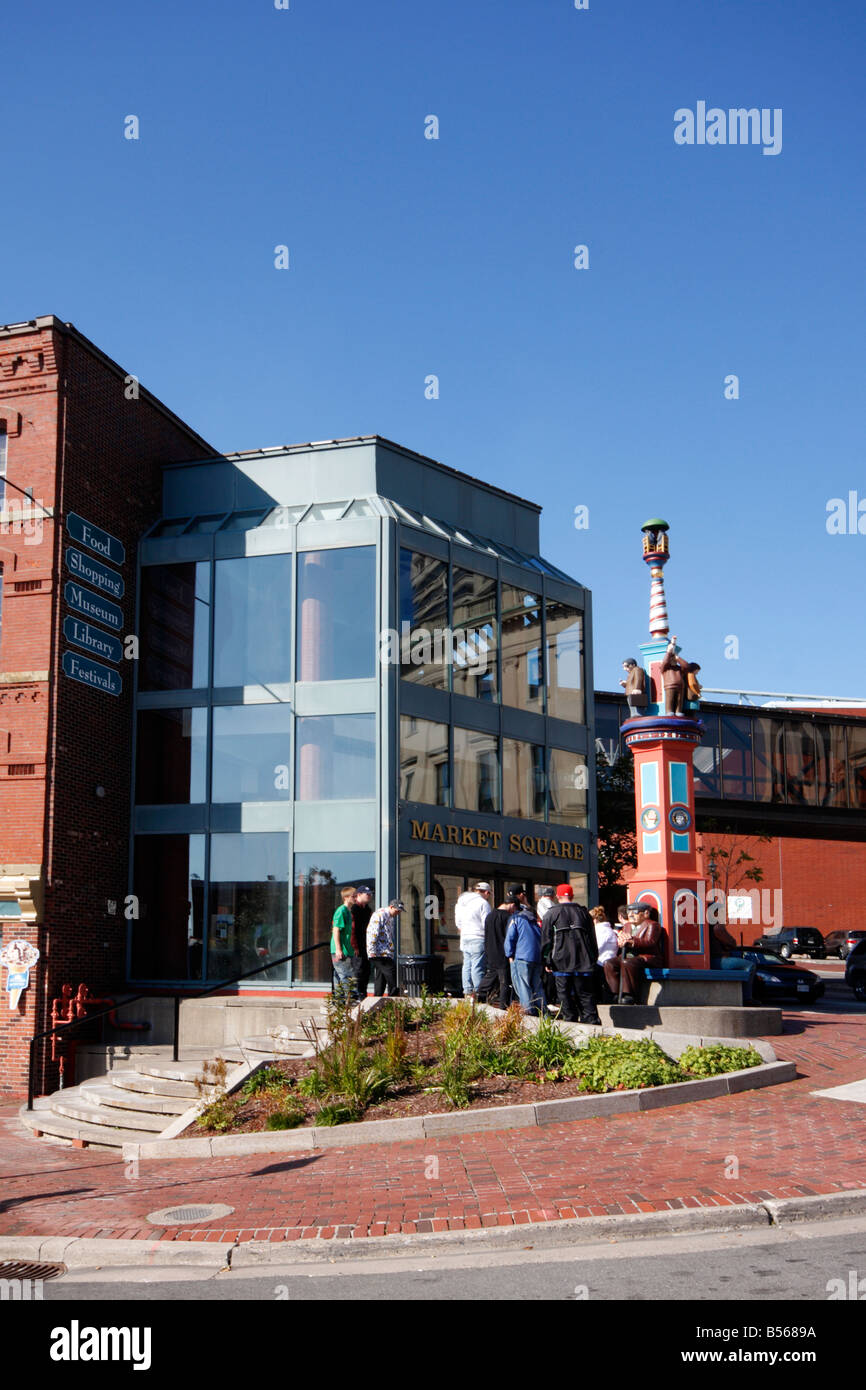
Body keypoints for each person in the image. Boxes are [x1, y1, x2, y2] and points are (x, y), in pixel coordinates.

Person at [540, 885, 601, 1025]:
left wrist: (546, 961)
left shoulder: (551, 914)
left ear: (557, 896)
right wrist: (593, 959)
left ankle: (569, 1022)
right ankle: (592, 1024)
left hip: (560, 962)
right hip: (583, 961)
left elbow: (545, 940)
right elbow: (592, 940)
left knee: (564, 994)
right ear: (572, 896)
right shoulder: (584, 913)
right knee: (586, 994)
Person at [604, 903, 666, 1003]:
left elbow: (650, 942)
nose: (631, 915)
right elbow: (623, 937)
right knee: (609, 963)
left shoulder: (652, 925)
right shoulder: (627, 925)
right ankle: (614, 992)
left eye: (635, 912)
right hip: (628, 954)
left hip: (646, 956)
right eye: (629, 911)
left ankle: (629, 994)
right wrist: (620, 942)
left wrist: (632, 941)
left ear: (646, 913)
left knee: (627, 963)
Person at [503, 886, 545, 1016]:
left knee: (523, 986)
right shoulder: (532, 919)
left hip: (521, 957)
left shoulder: (515, 919)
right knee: (537, 986)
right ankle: (543, 1011)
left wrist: (509, 955)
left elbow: (510, 938)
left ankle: (528, 1013)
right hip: (536, 957)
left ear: (512, 906)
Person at [455, 881, 491, 1001]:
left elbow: (458, 923)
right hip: (478, 937)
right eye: (489, 894)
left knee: (467, 965)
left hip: (465, 937)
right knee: (477, 966)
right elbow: (487, 923)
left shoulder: (461, 903)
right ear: (486, 892)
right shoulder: (483, 903)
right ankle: (478, 993)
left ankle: (467, 991)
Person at [477, 895, 514, 1009]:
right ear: (512, 905)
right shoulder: (508, 917)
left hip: (491, 950)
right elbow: (509, 936)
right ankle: (504, 1006)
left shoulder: (490, 915)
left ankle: (479, 995)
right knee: (505, 981)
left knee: (491, 975)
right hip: (503, 952)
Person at [366, 899, 403, 997]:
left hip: (386, 952)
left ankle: (377, 998)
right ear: (391, 907)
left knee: (381, 977)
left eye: (400, 911)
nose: (398, 913)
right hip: (379, 952)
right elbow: (372, 933)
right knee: (391, 971)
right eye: (397, 910)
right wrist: (371, 950)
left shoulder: (390, 918)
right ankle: (393, 996)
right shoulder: (379, 915)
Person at [331, 885, 358, 1003]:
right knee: (345, 974)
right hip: (341, 950)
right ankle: (350, 998)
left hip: (348, 949)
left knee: (339, 974)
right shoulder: (341, 911)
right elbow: (336, 929)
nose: (356, 898)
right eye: (354, 896)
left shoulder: (348, 911)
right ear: (346, 897)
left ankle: (339, 999)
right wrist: (338, 949)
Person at [589, 906, 619, 1004]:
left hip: (603, 962)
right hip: (604, 961)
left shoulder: (601, 931)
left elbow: (596, 948)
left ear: (594, 920)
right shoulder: (605, 929)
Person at [350, 885, 373, 1002]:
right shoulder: (354, 909)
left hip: (366, 945)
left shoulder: (368, 910)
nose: (369, 896)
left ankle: (363, 994)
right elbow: (352, 929)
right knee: (358, 970)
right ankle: (357, 995)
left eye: (370, 894)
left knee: (366, 970)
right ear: (359, 895)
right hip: (357, 945)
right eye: (366, 894)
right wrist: (354, 945)